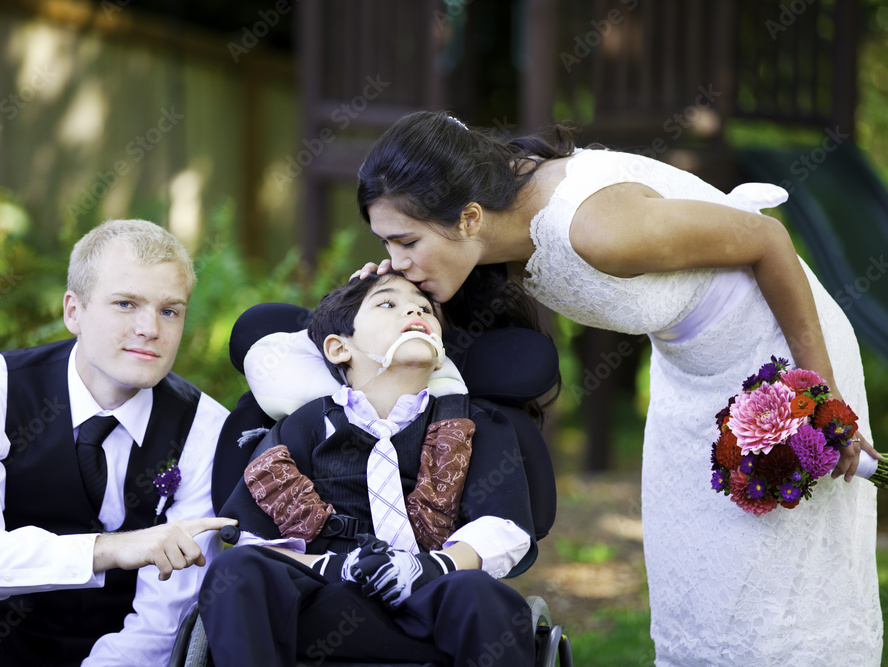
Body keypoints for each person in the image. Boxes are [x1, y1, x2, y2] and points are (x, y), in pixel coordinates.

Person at [346, 110, 882, 664]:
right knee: (698, 581)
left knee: (775, 584)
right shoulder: (488, 237)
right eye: (388, 246)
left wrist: (823, 399)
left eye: (405, 243)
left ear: (469, 218)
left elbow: (769, 240)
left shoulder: (596, 230)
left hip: (777, 352)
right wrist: (379, 301)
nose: (398, 262)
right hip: (688, 369)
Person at [0, 219, 235, 666]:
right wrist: (108, 548)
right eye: (126, 303)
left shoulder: (205, 425)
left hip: (125, 646)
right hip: (0, 638)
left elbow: (164, 620)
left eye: (170, 310)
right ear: (73, 311)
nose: (150, 328)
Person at [199, 272, 538, 666]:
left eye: (425, 308)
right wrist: (334, 565)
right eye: (387, 304)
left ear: (440, 352)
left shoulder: (474, 425)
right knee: (237, 570)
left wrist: (426, 568)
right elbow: (254, 542)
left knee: (482, 593)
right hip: (320, 603)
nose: (415, 309)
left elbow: (503, 528)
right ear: (339, 347)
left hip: (431, 604)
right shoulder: (301, 428)